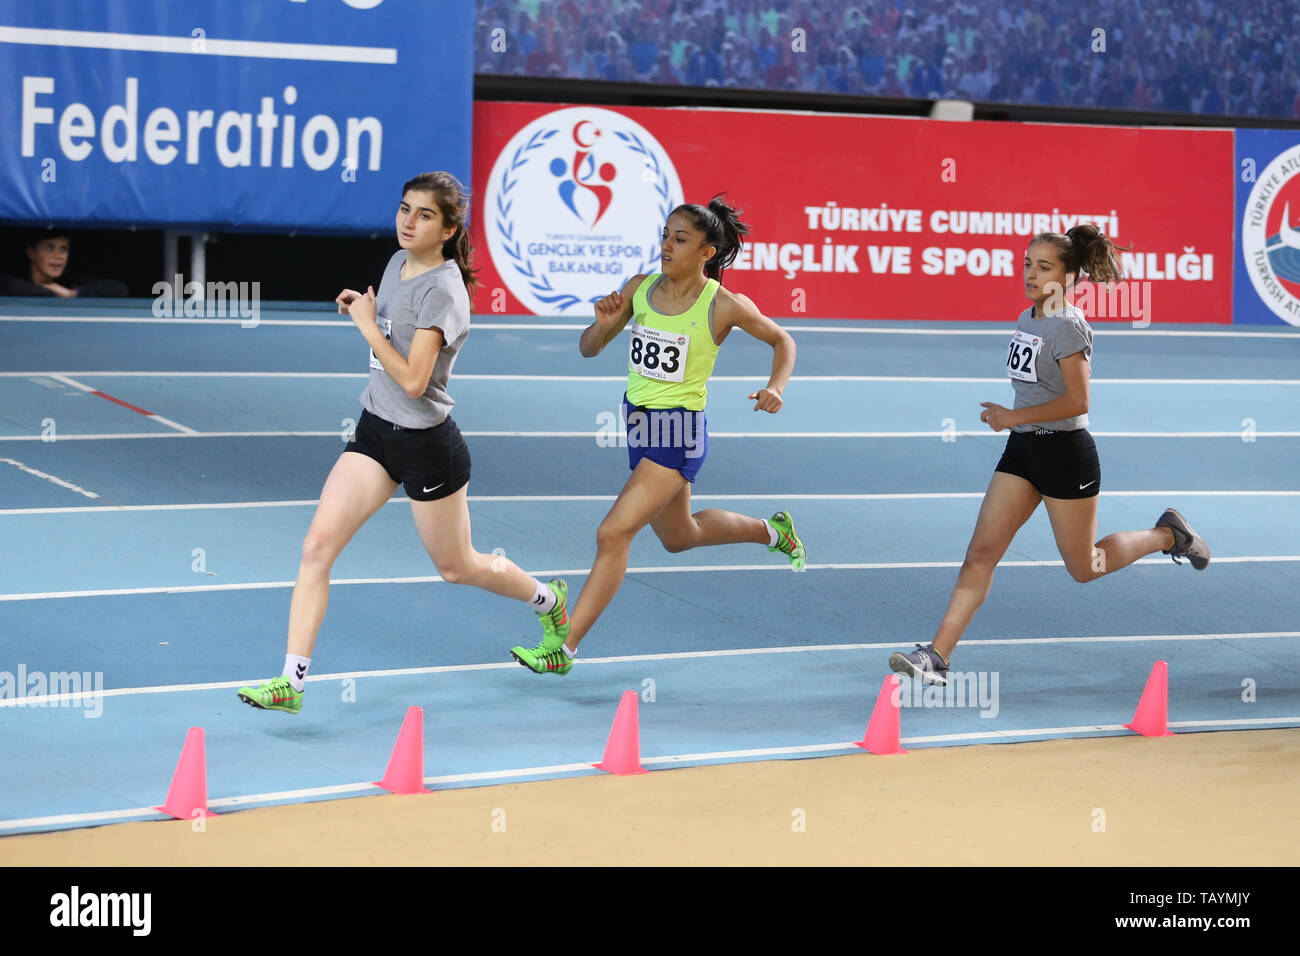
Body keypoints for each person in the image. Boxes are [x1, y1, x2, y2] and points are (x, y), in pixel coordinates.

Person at [237, 172, 570, 713]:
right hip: (375, 431)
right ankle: (291, 684)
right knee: (317, 547)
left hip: (424, 445)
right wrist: (367, 314)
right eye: (404, 209)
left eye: (425, 215)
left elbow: (416, 381)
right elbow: (391, 338)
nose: (408, 222)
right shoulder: (396, 263)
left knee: (458, 567)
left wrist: (368, 327)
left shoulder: (444, 291)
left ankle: (548, 601)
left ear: (449, 228)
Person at [889, 225, 1211, 686]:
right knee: (980, 554)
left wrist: (1012, 417)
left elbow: (1079, 402)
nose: (1031, 274)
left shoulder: (1069, 326)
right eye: (1027, 264)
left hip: (1065, 456)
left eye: (1044, 267)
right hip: (1023, 452)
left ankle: (1167, 535)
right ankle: (936, 656)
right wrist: (1016, 424)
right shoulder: (1029, 317)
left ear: (1069, 275)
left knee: (1085, 567)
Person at [510, 195, 805, 676]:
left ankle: (564, 649)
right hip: (639, 425)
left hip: (678, 432)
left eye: (680, 239)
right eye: (665, 235)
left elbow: (782, 339)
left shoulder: (723, 304)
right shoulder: (639, 289)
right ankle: (773, 531)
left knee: (613, 533)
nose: (666, 246)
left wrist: (776, 386)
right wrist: (603, 326)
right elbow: (588, 349)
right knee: (679, 536)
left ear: (706, 252)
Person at [0, 231, 128, 297]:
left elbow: (119, 289)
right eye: (49, 248)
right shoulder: (11, 280)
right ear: (32, 253)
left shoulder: (66, 281)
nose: (59, 256)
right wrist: (49, 292)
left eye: (63, 249)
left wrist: (73, 294)